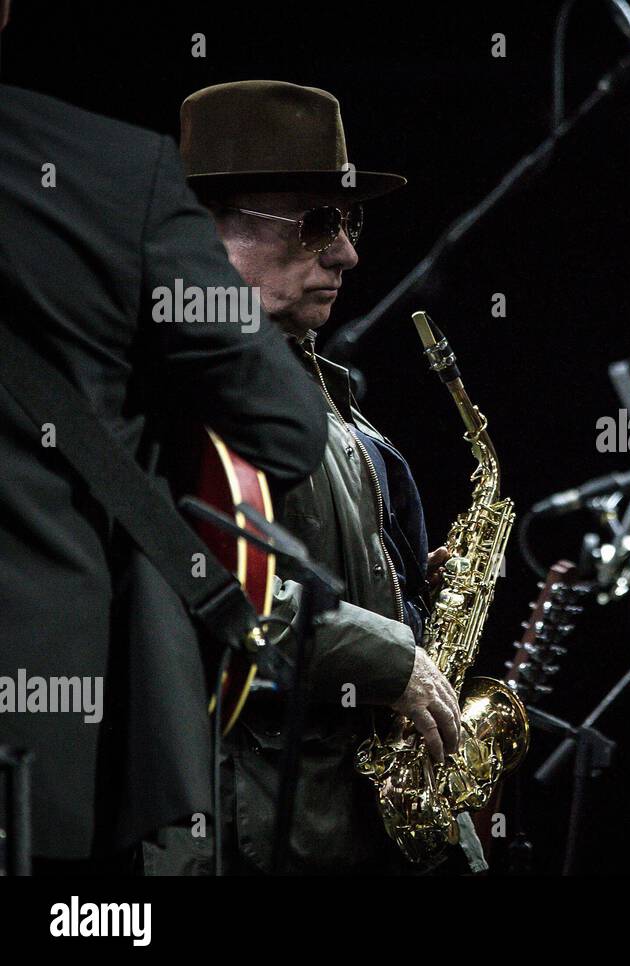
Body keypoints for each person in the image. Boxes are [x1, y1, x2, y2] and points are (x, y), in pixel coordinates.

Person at [0, 2, 328, 870]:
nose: (342, 256)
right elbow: (287, 430)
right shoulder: (110, 173)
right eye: (315, 223)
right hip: (39, 752)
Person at [142, 80, 467, 874]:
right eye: (317, 223)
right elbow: (196, 588)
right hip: (248, 831)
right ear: (206, 231)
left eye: (349, 221)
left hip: (333, 818)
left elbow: (292, 561)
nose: (348, 252)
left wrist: (399, 583)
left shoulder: (314, 384)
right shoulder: (168, 382)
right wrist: (390, 658)